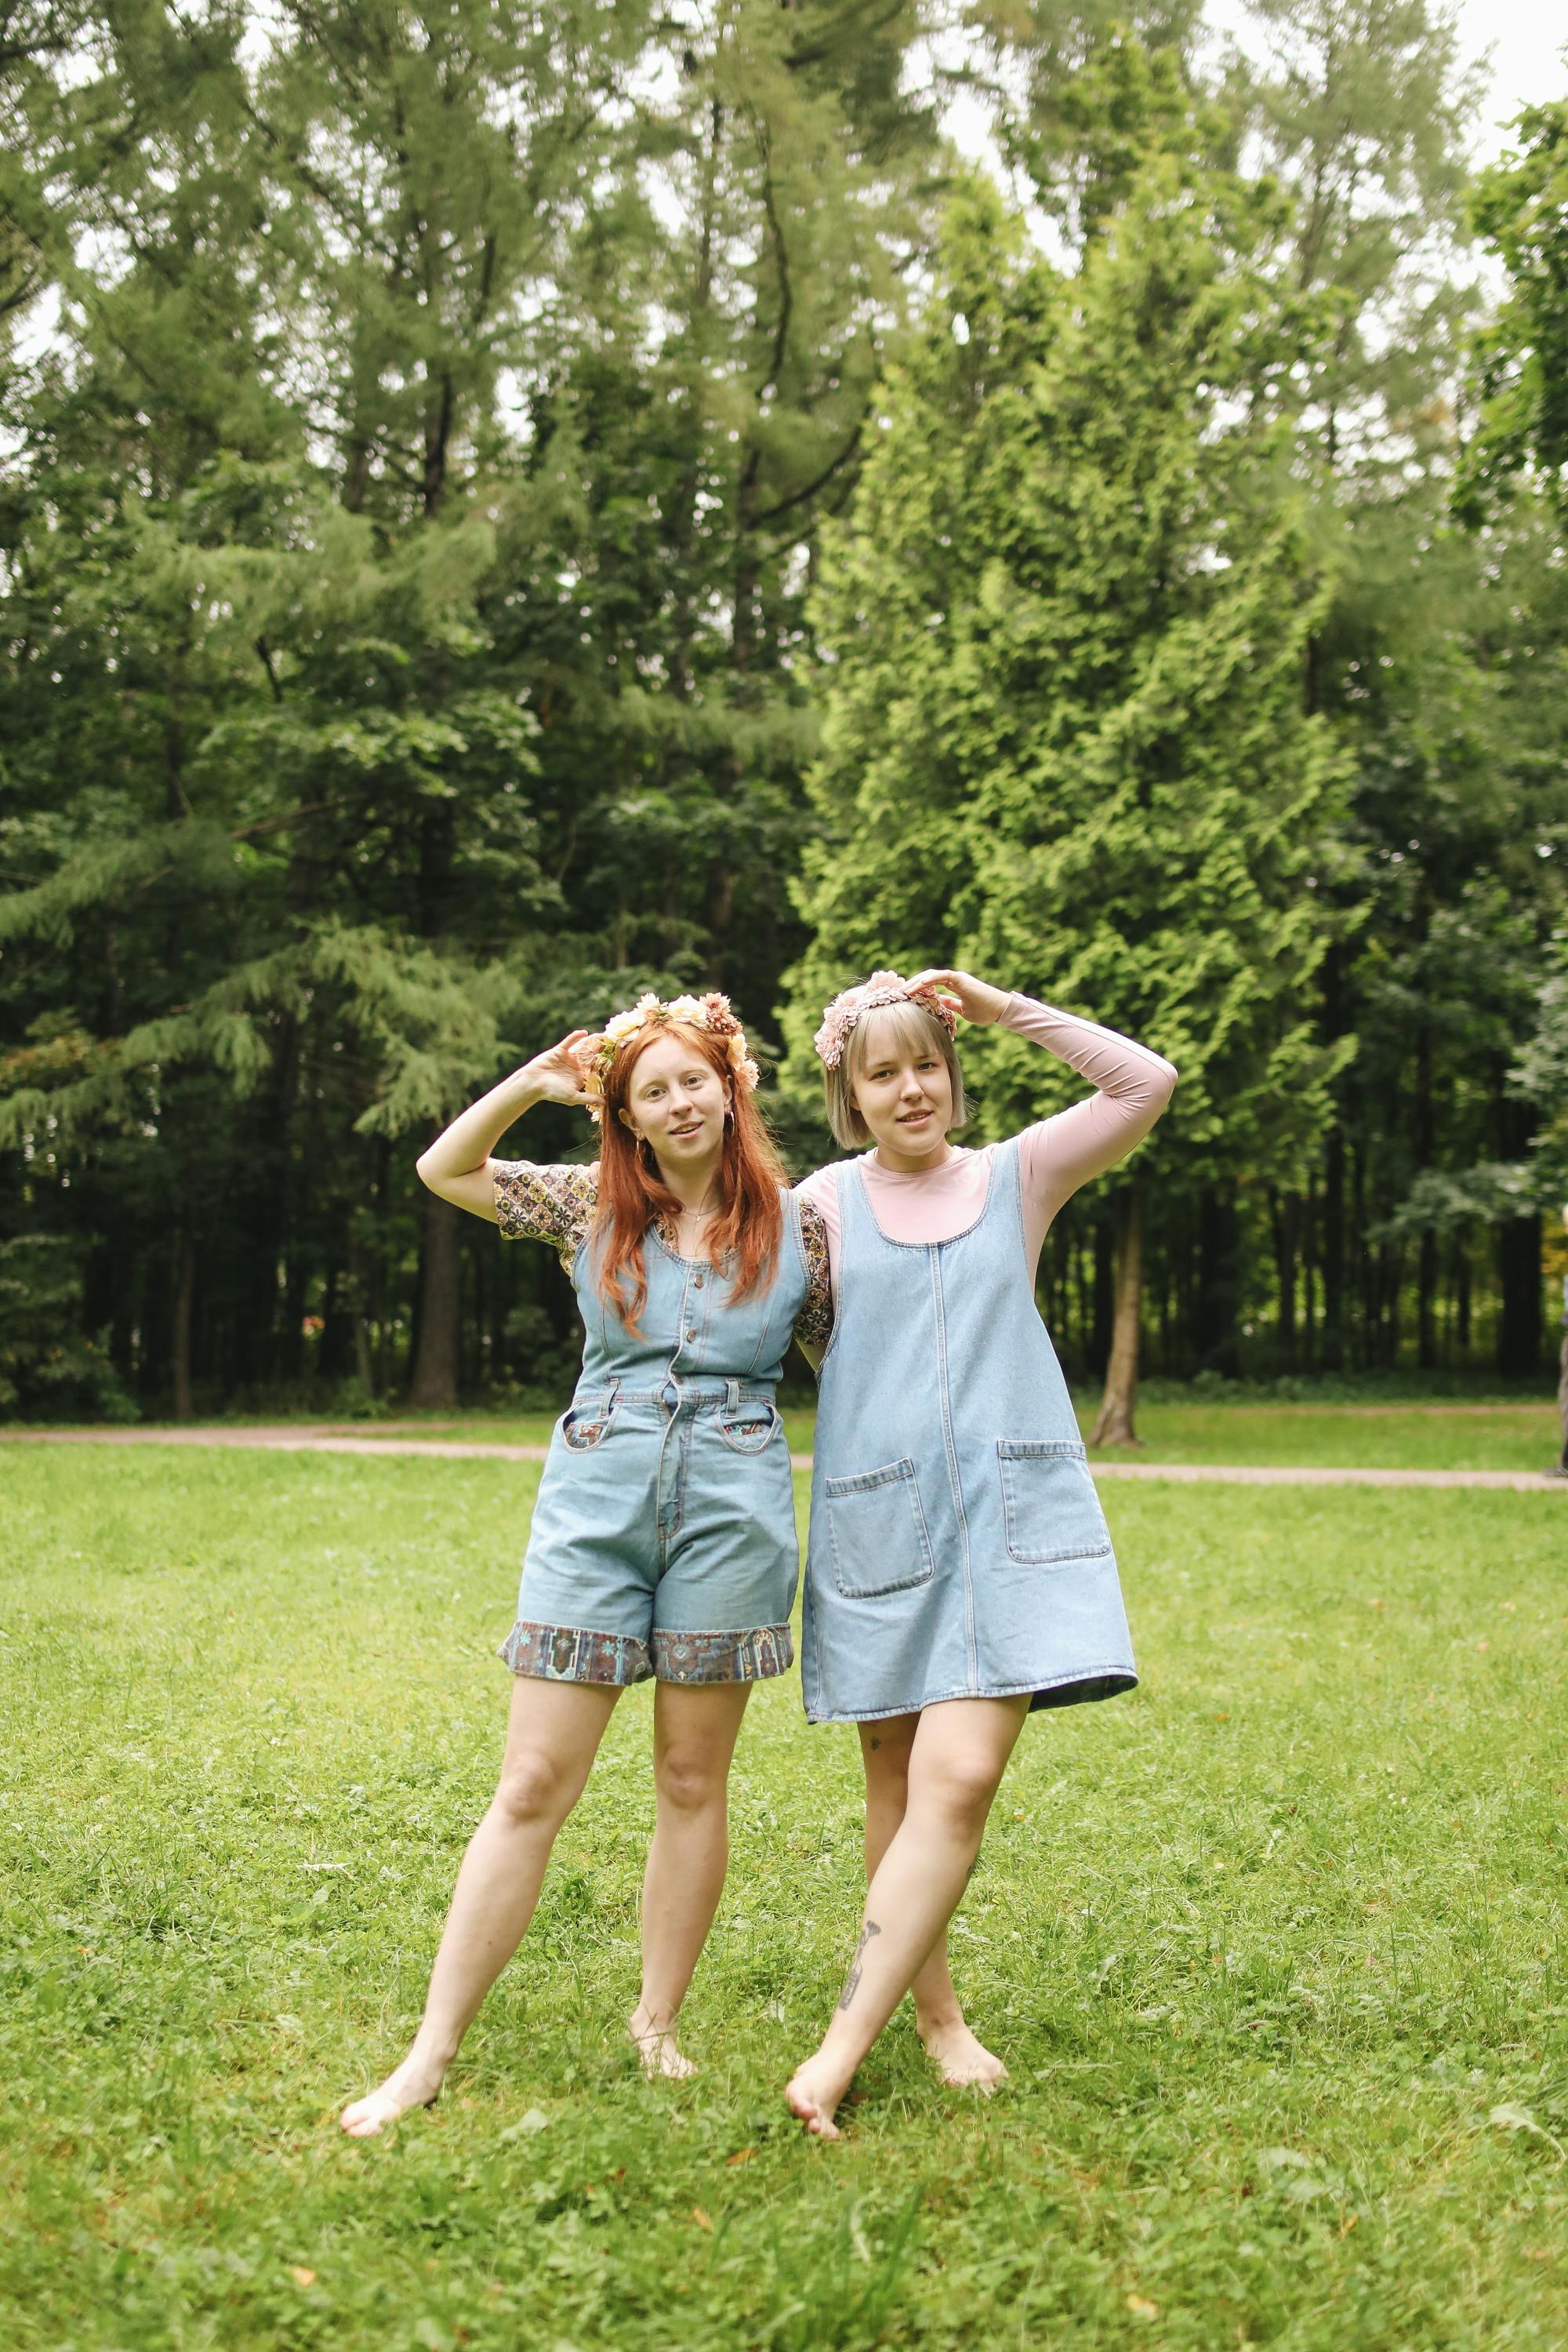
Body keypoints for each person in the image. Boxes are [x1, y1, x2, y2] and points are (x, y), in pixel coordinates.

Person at [342, 991, 829, 2136]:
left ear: (730, 1083)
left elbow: (859, 1364)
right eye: (650, 1091)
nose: (679, 1102)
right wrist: (529, 1082)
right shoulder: (586, 1204)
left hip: (735, 1506)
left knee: (690, 1781)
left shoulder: (803, 1227)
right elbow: (444, 1170)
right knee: (530, 1785)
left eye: (693, 1080)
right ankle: (429, 2050)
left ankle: (657, 2025)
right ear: (629, 1116)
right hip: (596, 1506)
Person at [783, 967, 1176, 2136]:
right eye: (882, 1072)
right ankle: (934, 2015)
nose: (911, 1089)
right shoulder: (821, 1207)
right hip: (879, 1521)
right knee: (895, 1786)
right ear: (850, 1096)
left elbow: (1143, 1081)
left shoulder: (1019, 1175)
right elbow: (766, 1322)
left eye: (927, 1065)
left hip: (1013, 1526)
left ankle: (838, 2049)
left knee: (960, 1779)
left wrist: (1001, 1008)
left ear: (953, 1077)